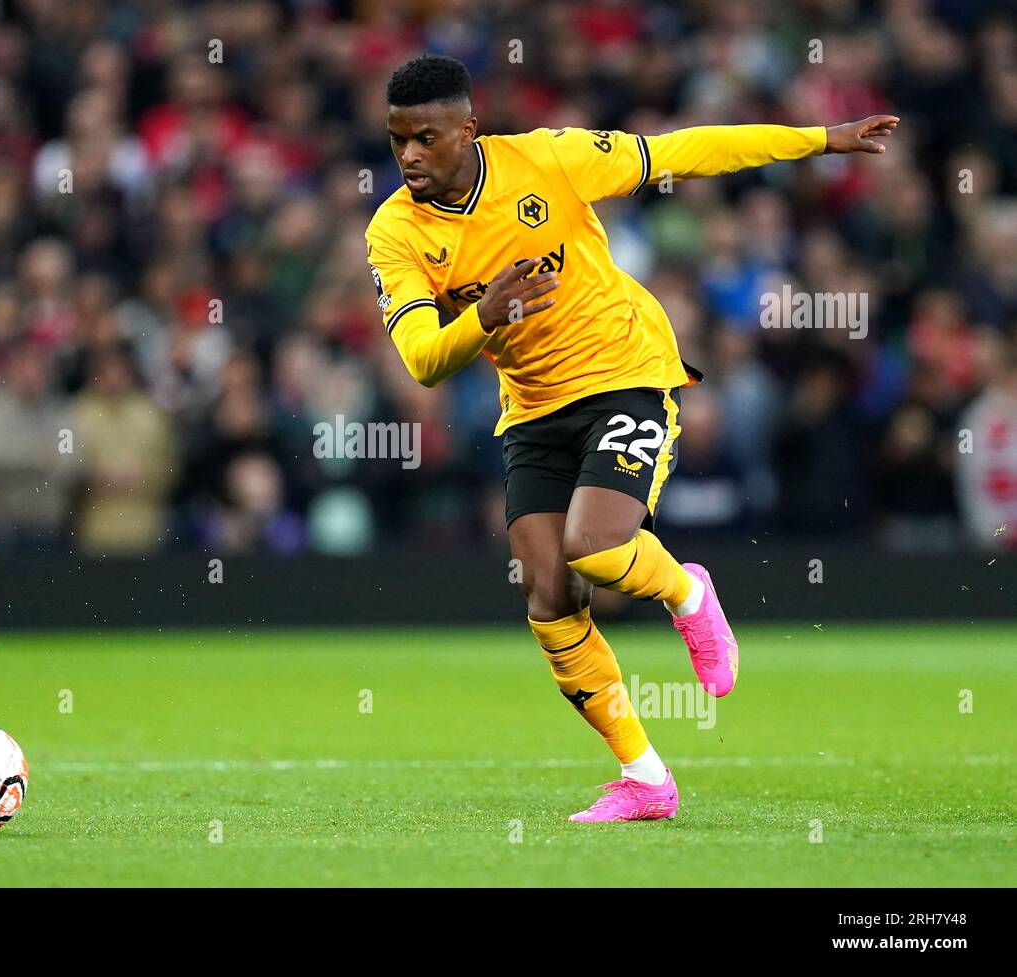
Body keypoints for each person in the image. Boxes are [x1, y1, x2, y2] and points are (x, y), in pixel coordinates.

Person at [365, 54, 898, 822]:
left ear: (467, 130)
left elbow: (682, 150)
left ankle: (689, 591)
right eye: (396, 141)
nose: (409, 156)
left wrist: (818, 138)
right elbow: (422, 360)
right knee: (550, 596)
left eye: (425, 137)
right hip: (533, 409)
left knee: (596, 546)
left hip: (625, 372)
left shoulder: (547, 159)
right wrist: (486, 315)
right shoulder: (395, 231)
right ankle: (646, 778)